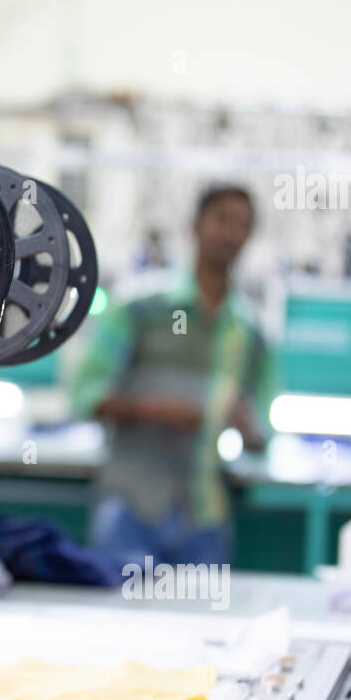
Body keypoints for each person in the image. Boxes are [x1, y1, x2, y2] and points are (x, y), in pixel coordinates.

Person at [71, 185, 277, 567]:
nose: (231, 234)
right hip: (131, 508)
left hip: (204, 518)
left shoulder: (248, 331)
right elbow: (85, 396)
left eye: (242, 225)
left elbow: (263, 430)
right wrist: (154, 410)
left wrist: (247, 427)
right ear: (195, 225)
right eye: (221, 220)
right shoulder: (139, 309)